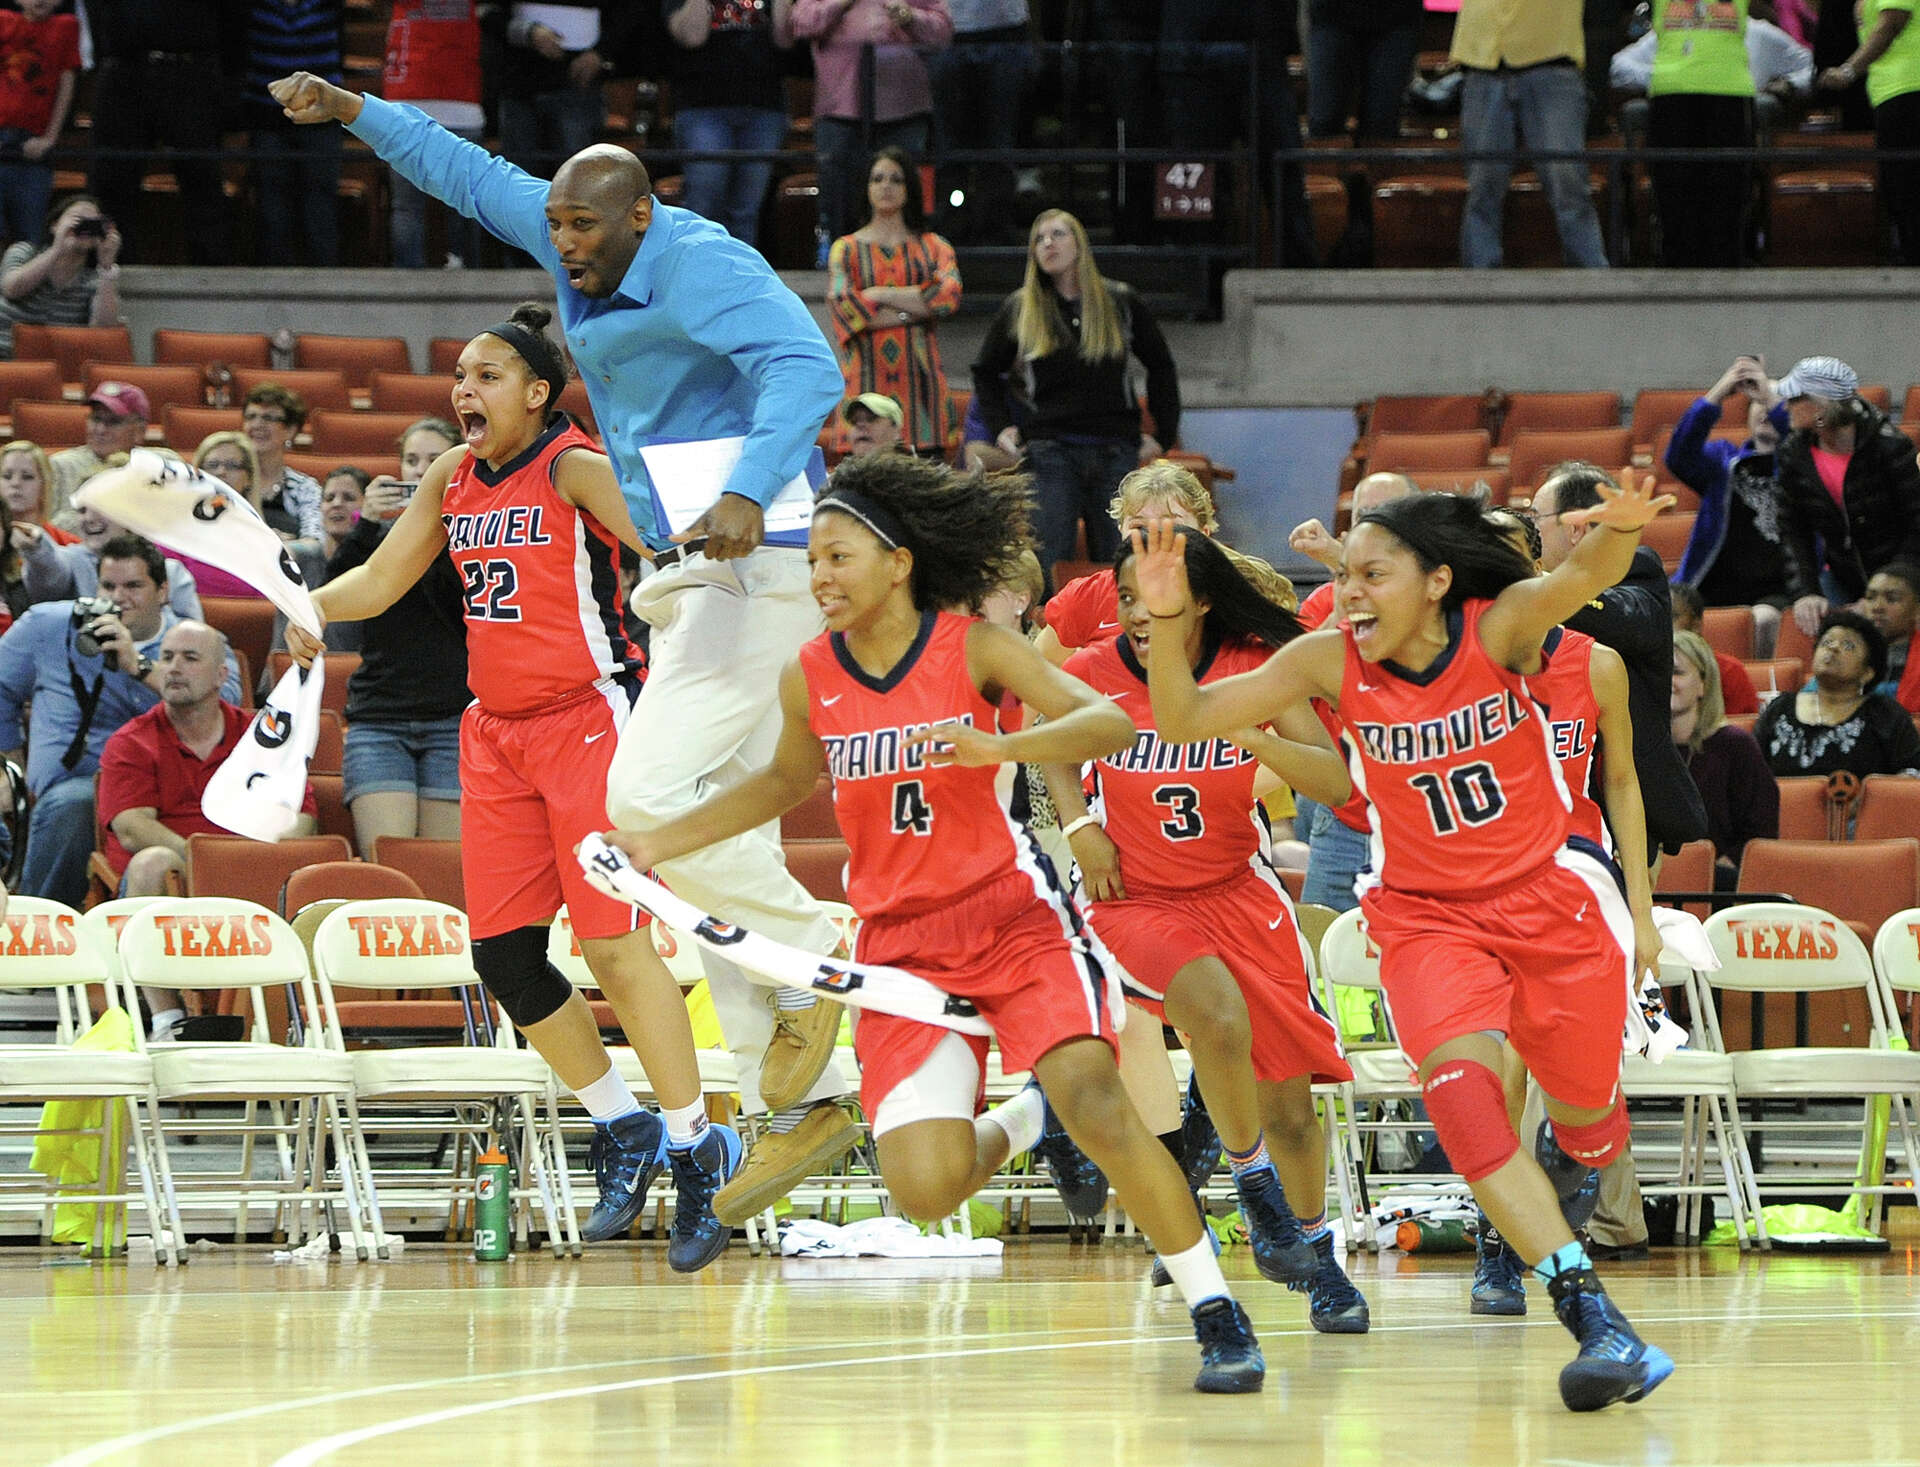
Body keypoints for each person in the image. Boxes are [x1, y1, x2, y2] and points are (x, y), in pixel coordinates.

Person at [269, 67, 859, 1221]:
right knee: (696, 825)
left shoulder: (704, 264)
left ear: (642, 215)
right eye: (557, 227)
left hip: (770, 546)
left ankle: (808, 959)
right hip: (689, 568)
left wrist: (744, 490)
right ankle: (805, 1100)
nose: (563, 244)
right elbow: (469, 173)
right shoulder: (569, 242)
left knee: (646, 809)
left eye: (583, 225)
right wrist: (356, 113)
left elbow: (810, 369)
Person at [598, 451, 1269, 1393]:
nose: (820, 578)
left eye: (837, 558)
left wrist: (1000, 744)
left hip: (1013, 918)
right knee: (923, 1188)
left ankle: (1216, 1312)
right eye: (816, 561)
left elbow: (1108, 726)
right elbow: (787, 783)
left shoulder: (975, 648)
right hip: (901, 949)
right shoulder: (810, 672)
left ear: (899, 561)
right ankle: (1031, 1117)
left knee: (1101, 1097)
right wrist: (654, 840)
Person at [1136, 484, 1679, 1412]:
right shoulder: (1326, 660)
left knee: (1587, 1118)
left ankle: (1583, 1158)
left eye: (1372, 573)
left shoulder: (1499, 629)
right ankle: (1593, 1315)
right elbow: (1185, 718)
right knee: (1469, 1114)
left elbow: (1590, 570)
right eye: (1343, 574)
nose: (1349, 591)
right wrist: (1167, 612)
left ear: (1436, 581)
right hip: (1427, 919)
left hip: (1549, 908)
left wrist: (1620, 525)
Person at [285, 305, 743, 1270]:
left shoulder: (573, 467)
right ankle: (622, 1125)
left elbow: (676, 547)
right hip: (491, 734)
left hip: (587, 718)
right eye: (459, 375)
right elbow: (376, 580)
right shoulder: (453, 477)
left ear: (539, 392)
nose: (464, 391)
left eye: (488, 375)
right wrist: (308, 608)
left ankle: (699, 1140)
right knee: (504, 956)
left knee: (615, 952)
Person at [1047, 527, 1369, 1333]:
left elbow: (1337, 783)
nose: (1135, 610)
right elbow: (1043, 732)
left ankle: (1308, 1248)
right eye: (1124, 596)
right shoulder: (1091, 672)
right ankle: (1250, 1186)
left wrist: (1253, 732)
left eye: (1153, 594)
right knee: (1213, 1010)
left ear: (1200, 601)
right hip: (1133, 898)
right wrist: (1080, 822)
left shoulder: (1254, 673)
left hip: (1239, 892)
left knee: (1291, 1107)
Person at [99, 619, 317, 1040]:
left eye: (190, 658)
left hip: (253, 868)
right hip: (177, 874)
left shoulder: (263, 736)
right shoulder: (132, 741)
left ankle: (293, 1018)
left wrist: (241, 865)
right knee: (149, 863)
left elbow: (300, 821)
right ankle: (166, 1020)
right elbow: (131, 827)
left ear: (222, 676)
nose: (174, 668)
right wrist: (206, 865)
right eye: (166, 658)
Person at [0, 534, 239, 907]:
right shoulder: (49, 625)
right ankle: (41, 919)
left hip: (159, 794)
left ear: (163, 592)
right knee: (75, 802)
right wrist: (9, 763)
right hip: (73, 784)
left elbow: (226, 705)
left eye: (133, 586)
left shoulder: (191, 643)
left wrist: (138, 666)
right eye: (108, 586)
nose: (117, 598)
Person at [971, 209, 1181, 575]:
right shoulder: (1021, 307)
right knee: (1049, 558)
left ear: (1080, 243)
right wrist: (1002, 427)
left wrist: (1162, 434)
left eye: (1058, 234)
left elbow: (1161, 365)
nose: (1048, 243)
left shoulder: (1120, 302)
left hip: (1116, 448)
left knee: (1123, 560)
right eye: (1039, 238)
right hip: (1050, 451)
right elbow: (985, 372)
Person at [1533, 464, 1709, 859]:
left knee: (1626, 920)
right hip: (1545, 803)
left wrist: (1533, 592)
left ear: (1576, 527)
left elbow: (1623, 619)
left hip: (1620, 804)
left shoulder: (1636, 569)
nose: (1530, 532)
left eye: (1535, 518)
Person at [331, 419, 468, 854]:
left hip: (452, 716)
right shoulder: (375, 537)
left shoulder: (476, 533)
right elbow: (339, 594)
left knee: (440, 869)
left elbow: (462, 601)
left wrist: (450, 520)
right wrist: (367, 523)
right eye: (411, 461)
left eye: (433, 461)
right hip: (380, 717)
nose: (420, 471)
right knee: (386, 864)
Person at [1769, 356, 1920, 638]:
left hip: (1901, 577)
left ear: (1820, 407)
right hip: (1841, 575)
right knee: (1822, 635)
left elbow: (1917, 525)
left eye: (1793, 398)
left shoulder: (1890, 447)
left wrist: (1881, 595)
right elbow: (1792, 528)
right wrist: (1805, 591)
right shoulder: (1794, 453)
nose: (1785, 406)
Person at [1451, 0, 1609, 269]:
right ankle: (1478, 287)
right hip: (1482, 63)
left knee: (1567, 183)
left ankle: (1591, 279)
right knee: (1482, 187)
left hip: (1552, 63)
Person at [826, 147, 961, 457]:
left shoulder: (934, 246)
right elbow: (845, 310)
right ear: (866, 187)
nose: (886, 186)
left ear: (909, 189)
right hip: (864, 386)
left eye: (896, 179)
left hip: (922, 393)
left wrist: (878, 295)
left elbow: (947, 296)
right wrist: (915, 309)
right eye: (878, 179)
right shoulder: (844, 249)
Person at [792, 0, 953, 247]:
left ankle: (907, 263)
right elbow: (802, 23)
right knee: (838, 196)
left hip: (904, 105)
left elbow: (943, 32)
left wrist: (911, 17)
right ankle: (840, 263)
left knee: (906, 191)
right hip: (839, 107)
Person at [85, 1, 229, 265]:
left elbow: (232, 19)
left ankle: (210, 272)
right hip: (123, 71)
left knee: (202, 179)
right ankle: (111, 266)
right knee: (112, 180)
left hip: (190, 70)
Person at [1665, 357, 1790, 654]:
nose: (1764, 410)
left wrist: (1772, 401)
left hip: (1776, 589)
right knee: (1662, 610)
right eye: (1757, 403)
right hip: (1711, 584)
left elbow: (1806, 449)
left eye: (1772, 403)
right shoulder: (1724, 462)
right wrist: (1719, 392)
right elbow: (1679, 455)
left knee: (1761, 620)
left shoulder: (1804, 468)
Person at [665, 0, 796, 250]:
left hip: (763, 104)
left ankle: (741, 283)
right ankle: (699, 282)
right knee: (704, 208)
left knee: (746, 212)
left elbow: (785, 39)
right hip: (702, 106)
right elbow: (692, 36)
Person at [1752, 610, 1920, 779]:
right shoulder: (1780, 708)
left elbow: (1911, 776)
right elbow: (1749, 772)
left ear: (1867, 673)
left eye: (1848, 646)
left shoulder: (1885, 714)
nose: (1833, 648)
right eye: (1827, 642)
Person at [381, 0, 486, 269]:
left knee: (407, 206)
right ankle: (463, 269)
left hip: (408, 101)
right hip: (457, 101)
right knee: (464, 204)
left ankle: (407, 277)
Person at [1672, 628, 1778, 887]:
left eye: (1677, 672)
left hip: (1719, 881)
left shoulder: (1735, 745)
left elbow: (1760, 830)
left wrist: (1713, 870)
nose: (1665, 680)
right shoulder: (1638, 745)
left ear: (1703, 684)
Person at [243, 0, 345, 267]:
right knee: (271, 207)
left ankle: (325, 285)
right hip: (267, 116)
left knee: (320, 206)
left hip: (321, 116)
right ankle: (273, 285)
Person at [1817, 0, 1920, 263]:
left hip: (1910, 89)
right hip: (1891, 93)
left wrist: (1849, 71)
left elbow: (1890, 25)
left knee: (1909, 189)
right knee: (1900, 189)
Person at [928, 0, 1034, 246]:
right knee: (951, 147)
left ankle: (995, 229)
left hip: (1006, 30)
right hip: (951, 30)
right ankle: (951, 229)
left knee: (999, 144)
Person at [16, 498, 202, 617]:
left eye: (100, 508)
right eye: (82, 510)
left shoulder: (171, 573)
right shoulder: (71, 560)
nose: (89, 518)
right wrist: (37, 548)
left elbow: (195, 639)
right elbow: (48, 579)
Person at [267, 466, 365, 679]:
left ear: (367, 508)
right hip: (291, 678)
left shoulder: (373, 567)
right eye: (329, 498)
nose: (337, 504)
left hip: (354, 682)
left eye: (348, 498)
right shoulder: (299, 560)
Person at [0, 194, 121, 363]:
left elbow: (103, 330)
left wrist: (107, 267)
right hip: (4, 355)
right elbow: (11, 289)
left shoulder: (95, 280)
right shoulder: (23, 252)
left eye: (93, 223)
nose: (84, 227)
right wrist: (57, 249)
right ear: (55, 225)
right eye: (78, 219)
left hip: (56, 365)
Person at [0, 0, 81, 250]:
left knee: (31, 236)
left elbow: (67, 81)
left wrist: (50, 138)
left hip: (34, 143)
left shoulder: (66, 26)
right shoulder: (2, 21)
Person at [241, 384, 325, 541]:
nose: (257, 425)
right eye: (251, 417)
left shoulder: (304, 488)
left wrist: (286, 547)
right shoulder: (227, 480)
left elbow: (316, 542)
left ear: (290, 430)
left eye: (268, 418)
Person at [48, 381, 145, 516]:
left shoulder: (161, 465)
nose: (100, 430)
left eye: (113, 422)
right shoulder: (61, 466)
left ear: (139, 431)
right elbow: (46, 527)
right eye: (96, 419)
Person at [1671, 582, 1760, 715]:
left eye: (1671, 616)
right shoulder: (1638, 672)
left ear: (1696, 625)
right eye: (1655, 616)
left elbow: (1743, 728)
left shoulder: (1729, 672)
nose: (1660, 624)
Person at [1863, 559, 1920, 710]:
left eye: (1892, 599)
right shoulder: (1844, 651)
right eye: (1870, 597)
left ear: (1917, 610)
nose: (1877, 607)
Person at [0, 439, 74, 544]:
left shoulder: (68, 545)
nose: (15, 483)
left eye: (27, 477)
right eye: (7, 476)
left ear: (44, 484)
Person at [841, 392, 906, 458]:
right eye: (854, 421)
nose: (860, 425)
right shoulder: (841, 468)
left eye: (871, 419)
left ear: (896, 431)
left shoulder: (912, 468)